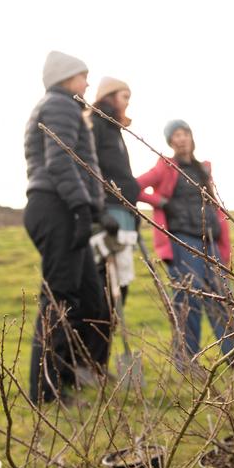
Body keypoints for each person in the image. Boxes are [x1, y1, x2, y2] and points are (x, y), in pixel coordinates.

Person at [136, 120, 234, 369]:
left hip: (209, 241)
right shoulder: (166, 166)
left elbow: (214, 206)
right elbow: (135, 186)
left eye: (184, 134)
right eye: (176, 136)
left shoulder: (203, 170)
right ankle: (186, 361)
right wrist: (160, 201)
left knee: (223, 298)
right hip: (182, 240)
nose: (181, 139)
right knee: (188, 300)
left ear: (192, 137)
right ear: (171, 142)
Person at [23, 50, 110, 402]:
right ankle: (45, 391)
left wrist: (91, 210)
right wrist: (80, 207)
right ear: (65, 77)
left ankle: (71, 374)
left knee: (91, 300)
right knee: (59, 300)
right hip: (58, 207)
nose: (88, 83)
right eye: (82, 76)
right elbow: (60, 162)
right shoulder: (60, 105)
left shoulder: (61, 105)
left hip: (63, 207)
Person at [89, 77, 140, 312]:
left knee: (122, 282)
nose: (128, 103)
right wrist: (98, 212)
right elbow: (89, 167)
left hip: (123, 214)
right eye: (125, 97)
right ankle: (97, 341)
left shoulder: (115, 129)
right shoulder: (95, 125)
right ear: (110, 96)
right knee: (103, 282)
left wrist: (133, 209)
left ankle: (106, 340)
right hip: (106, 214)